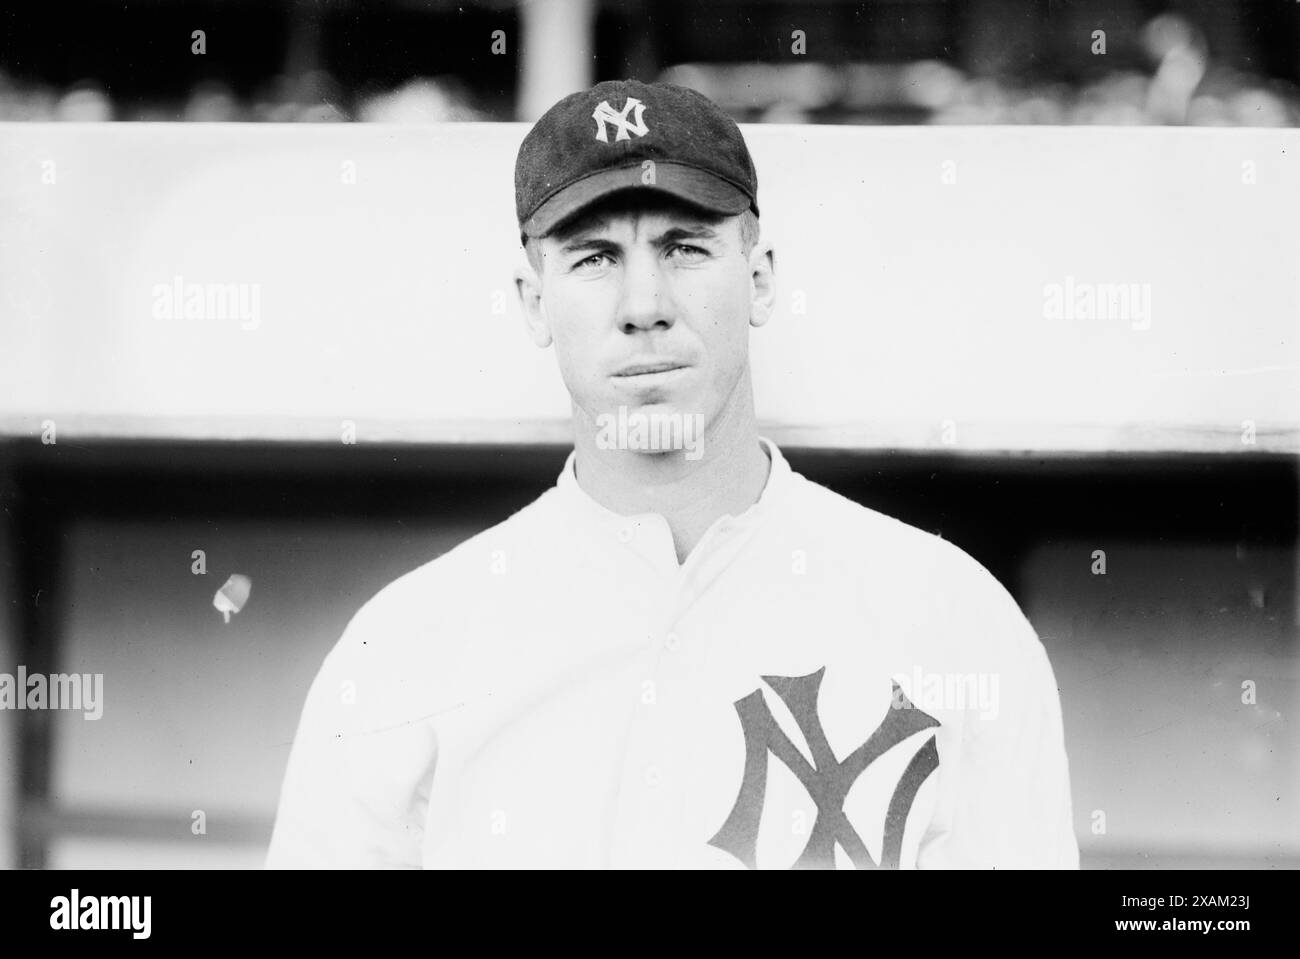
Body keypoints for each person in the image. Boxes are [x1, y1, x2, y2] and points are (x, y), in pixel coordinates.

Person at [266, 78, 1078, 869]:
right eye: (594, 258)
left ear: (758, 278)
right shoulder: (405, 650)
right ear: (531, 301)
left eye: (684, 247)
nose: (643, 302)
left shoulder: (946, 615)